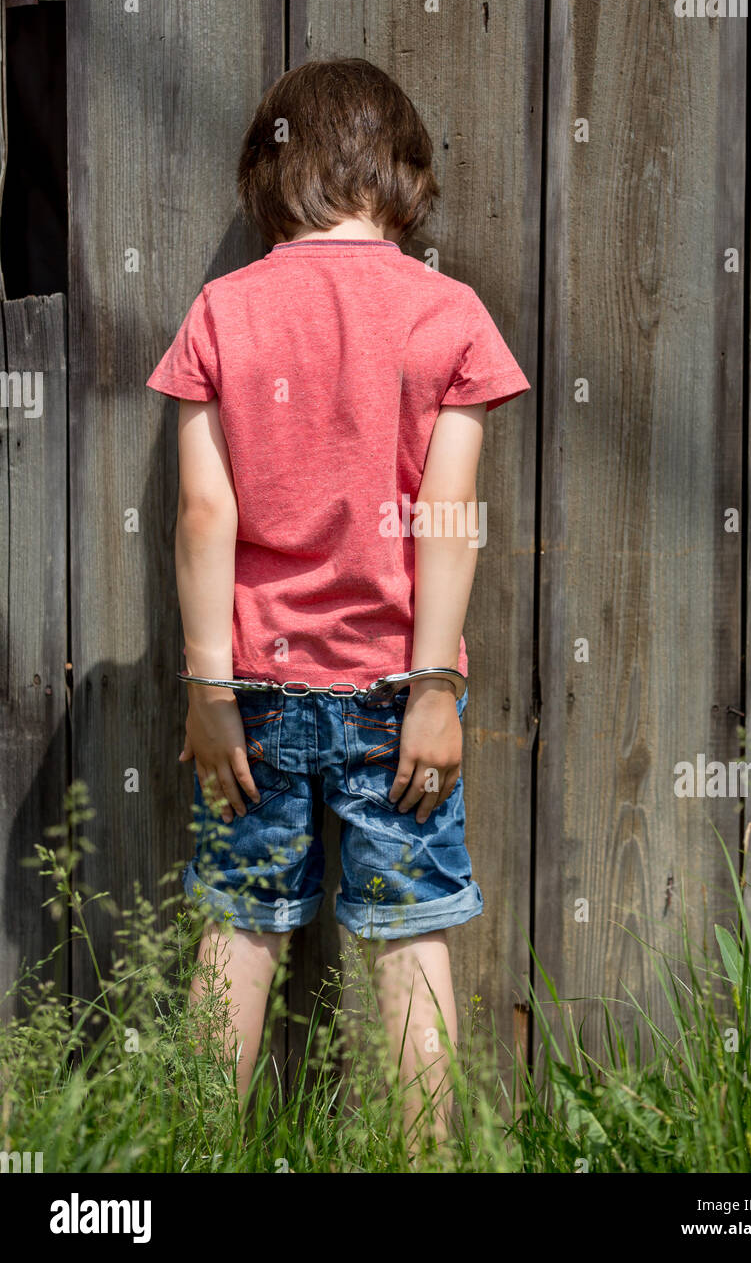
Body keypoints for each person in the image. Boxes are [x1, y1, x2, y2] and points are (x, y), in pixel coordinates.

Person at [146, 56, 530, 1145]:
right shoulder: (447, 315)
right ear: (403, 176)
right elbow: (449, 518)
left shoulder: (224, 310)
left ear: (268, 177)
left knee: (236, 934)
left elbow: (201, 517)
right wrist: (437, 687)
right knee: (409, 945)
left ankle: (189, 1167)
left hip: (252, 694)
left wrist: (209, 688)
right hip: (396, 697)